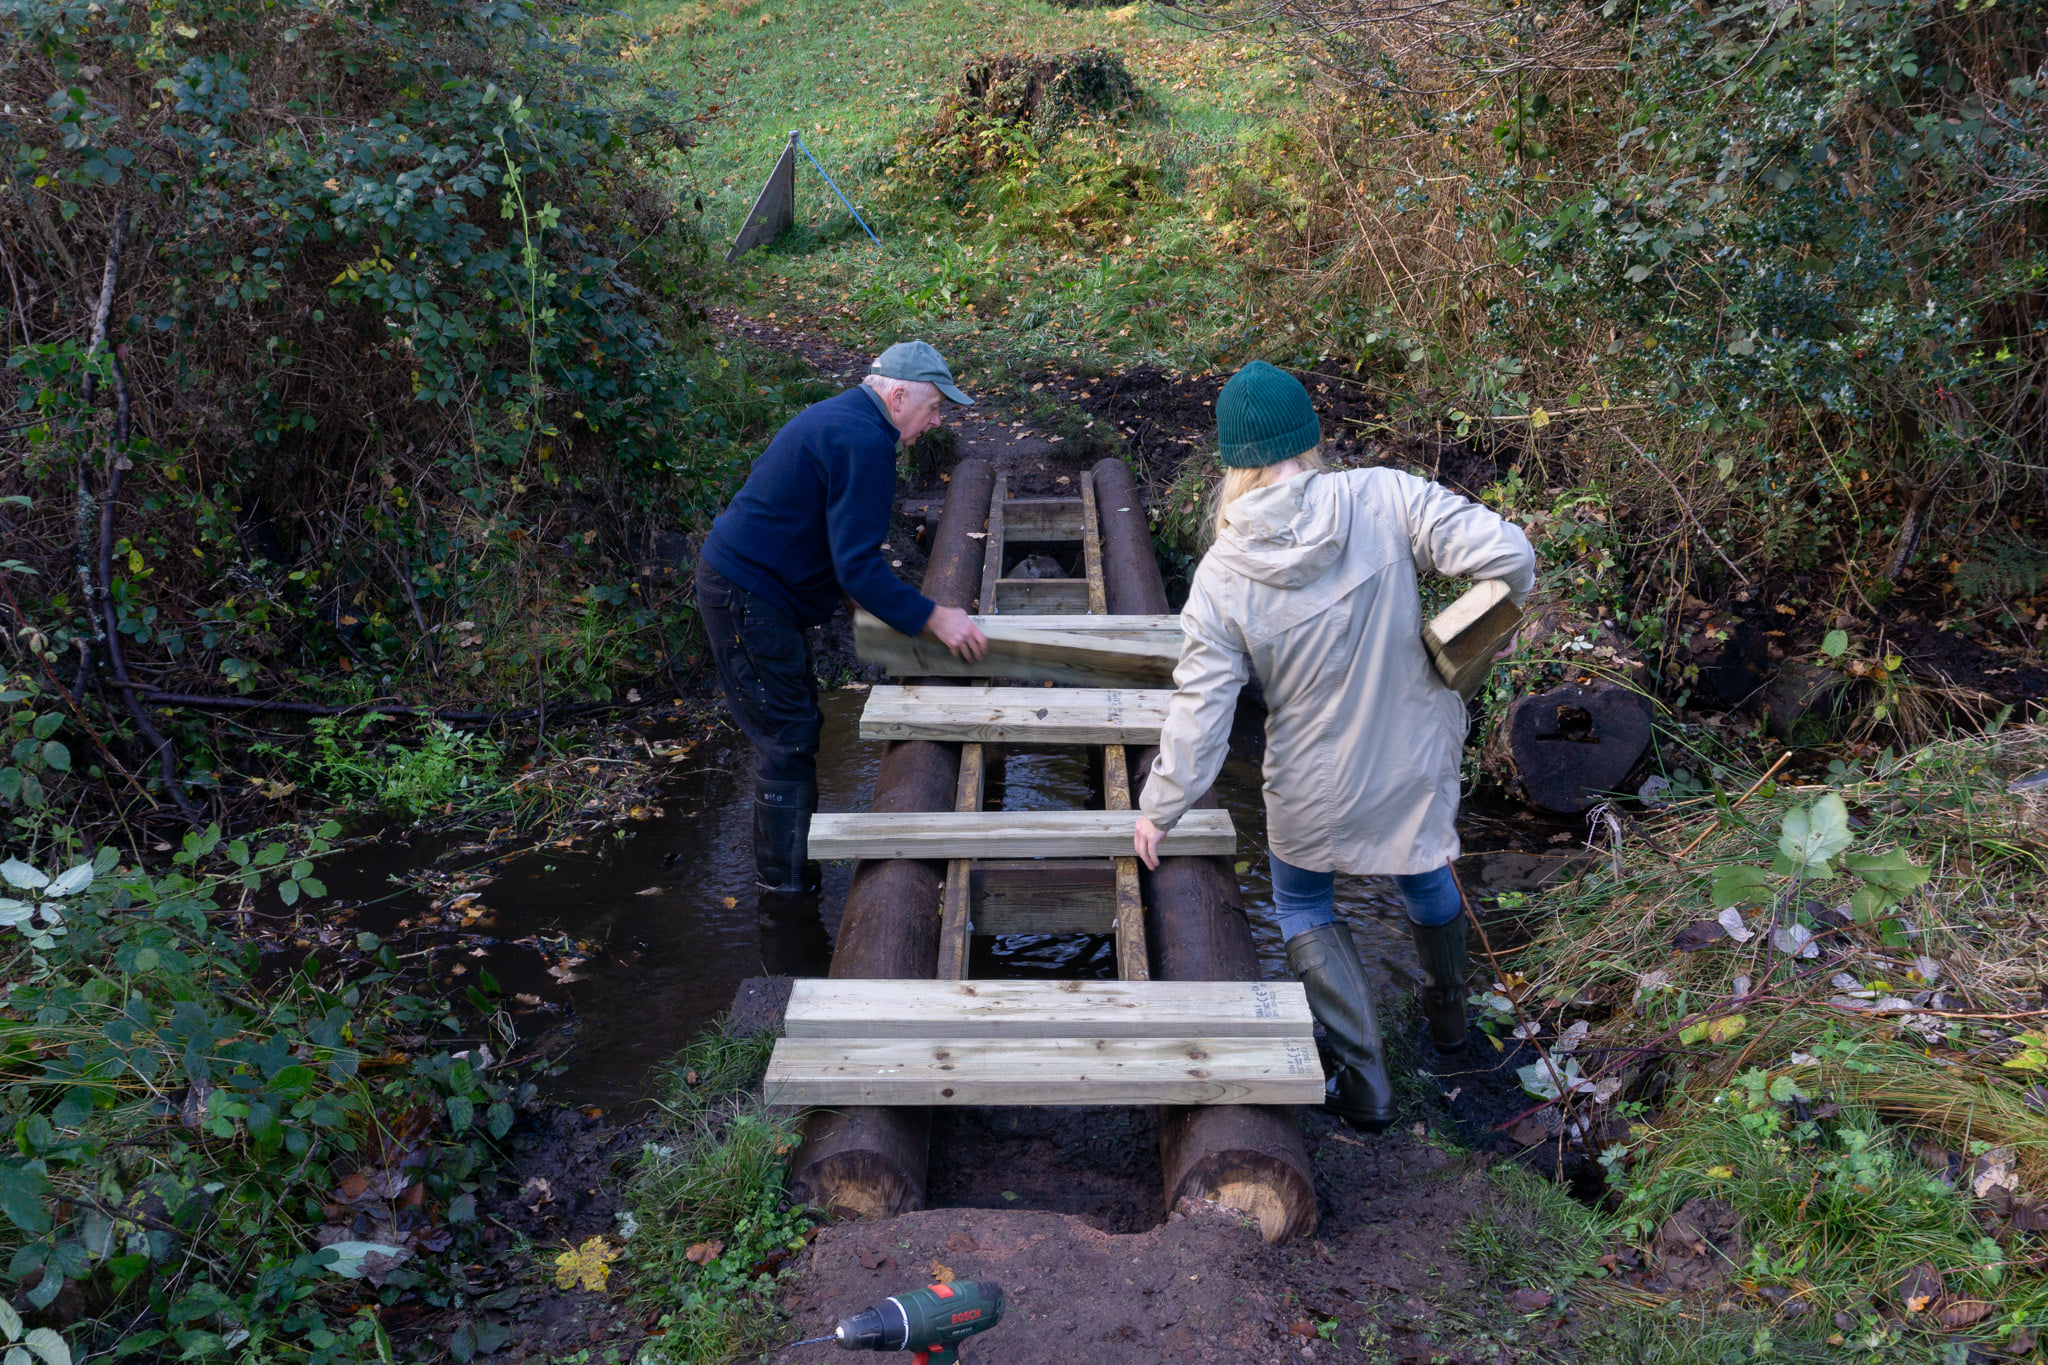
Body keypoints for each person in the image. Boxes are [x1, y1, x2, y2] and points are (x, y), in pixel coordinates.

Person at [1131, 361, 1535, 1131]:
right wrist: (1457, 640)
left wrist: (1161, 806)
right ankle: (1449, 1021)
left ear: (1233, 461)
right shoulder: (1383, 495)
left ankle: (1366, 1080)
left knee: (1303, 902)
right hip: (1414, 750)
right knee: (1423, 863)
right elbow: (1511, 558)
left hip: (1310, 779)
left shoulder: (1221, 573)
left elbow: (1203, 709)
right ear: (1309, 438)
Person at [696, 341, 988, 893]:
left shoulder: (844, 418)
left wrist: (863, 603)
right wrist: (935, 618)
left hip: (750, 586)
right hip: (747, 595)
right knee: (790, 735)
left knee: (795, 725)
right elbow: (856, 566)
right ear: (898, 396)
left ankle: (786, 869)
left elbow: (833, 539)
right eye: (933, 408)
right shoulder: (865, 441)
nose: (937, 420)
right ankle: (784, 887)